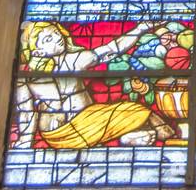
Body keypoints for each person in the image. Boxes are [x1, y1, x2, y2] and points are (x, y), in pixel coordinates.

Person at [14, 20, 173, 150]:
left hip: (89, 121)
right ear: (37, 52)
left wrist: (141, 28)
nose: (57, 38)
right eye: (48, 39)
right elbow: (26, 112)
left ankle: (127, 137)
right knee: (142, 112)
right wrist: (25, 141)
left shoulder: (75, 59)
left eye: (56, 33)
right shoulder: (27, 78)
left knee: (140, 113)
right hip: (57, 134)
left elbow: (112, 49)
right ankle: (168, 143)